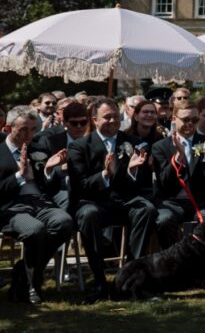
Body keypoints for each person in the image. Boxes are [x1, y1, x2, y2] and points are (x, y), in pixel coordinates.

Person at [0, 106, 73, 305]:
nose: (29, 135)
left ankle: (24, 270)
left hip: (41, 203)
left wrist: (49, 171)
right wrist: (19, 176)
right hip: (10, 208)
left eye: (33, 129)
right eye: (23, 129)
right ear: (8, 128)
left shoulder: (39, 150)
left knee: (64, 222)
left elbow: (50, 189)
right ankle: (32, 283)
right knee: (35, 230)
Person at [68, 97, 156, 303]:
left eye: (116, 116)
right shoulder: (80, 146)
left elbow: (140, 185)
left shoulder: (133, 143)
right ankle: (99, 280)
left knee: (147, 209)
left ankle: (130, 276)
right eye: (107, 117)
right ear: (95, 120)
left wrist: (132, 170)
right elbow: (81, 185)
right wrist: (105, 175)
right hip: (92, 202)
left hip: (123, 201)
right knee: (89, 215)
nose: (113, 121)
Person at [151, 99, 205, 249]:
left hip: (202, 202)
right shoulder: (160, 146)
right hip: (172, 203)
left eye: (195, 120)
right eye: (186, 120)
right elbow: (164, 182)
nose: (190, 124)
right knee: (164, 220)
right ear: (174, 119)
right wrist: (178, 157)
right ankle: (174, 259)